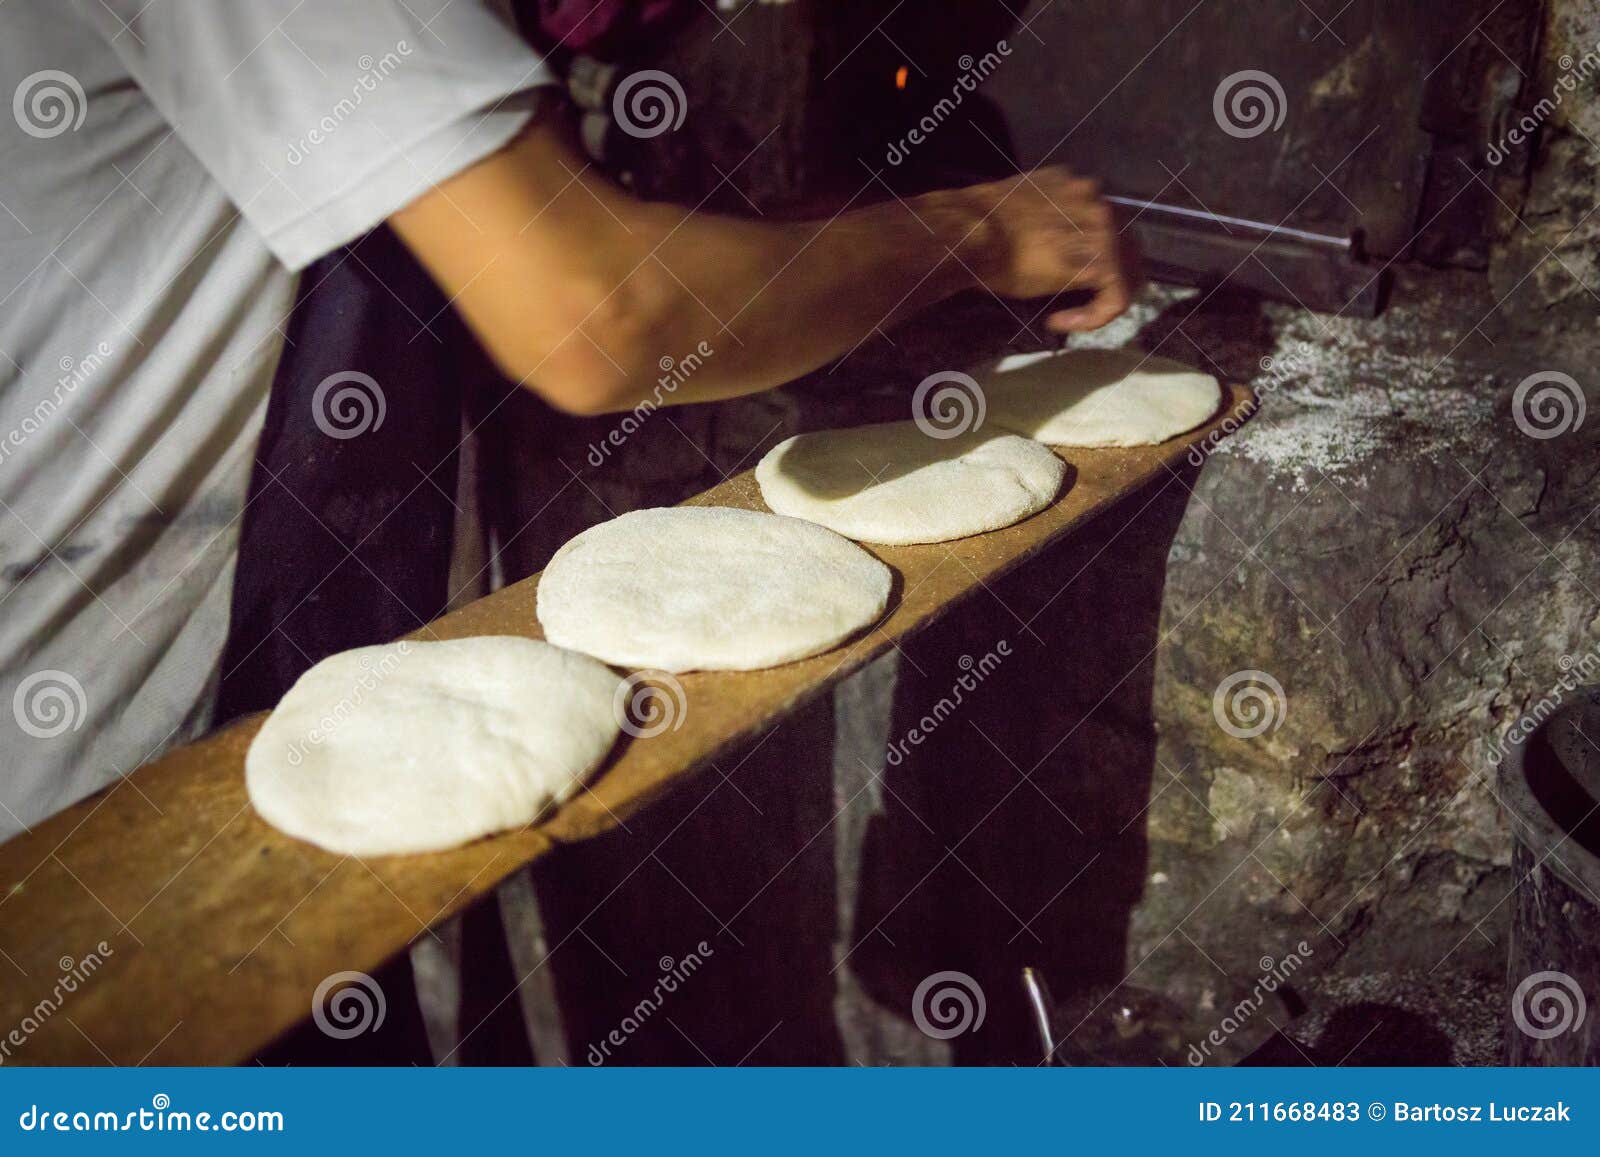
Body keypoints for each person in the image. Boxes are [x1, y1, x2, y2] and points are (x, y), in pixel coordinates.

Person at [0, 0, 1131, 842]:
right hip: (98, 805)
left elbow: (598, 245)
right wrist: (974, 232)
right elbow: (603, 316)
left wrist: (856, 235)